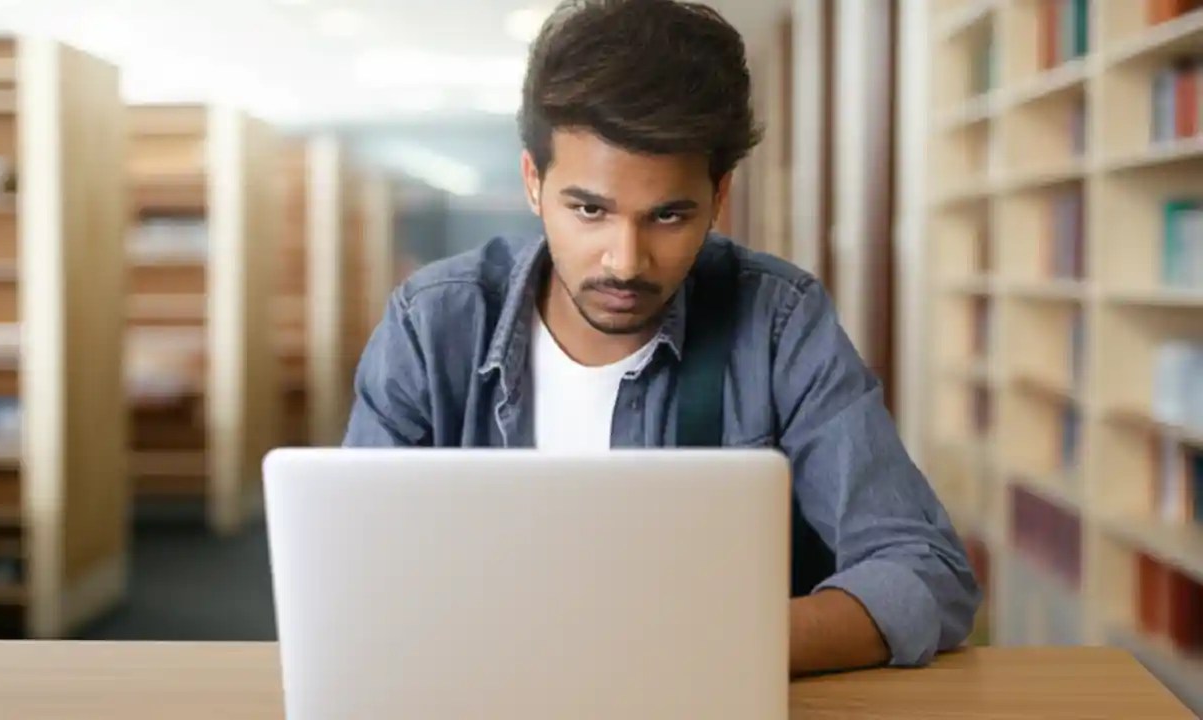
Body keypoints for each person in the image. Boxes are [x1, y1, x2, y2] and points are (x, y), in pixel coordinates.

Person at [345, 0, 980, 675]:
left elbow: (925, 573)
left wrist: (703, 646)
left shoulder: (776, 320)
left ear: (719, 195)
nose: (626, 260)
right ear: (534, 182)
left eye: (670, 215)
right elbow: (351, 573)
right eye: (589, 209)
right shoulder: (432, 323)